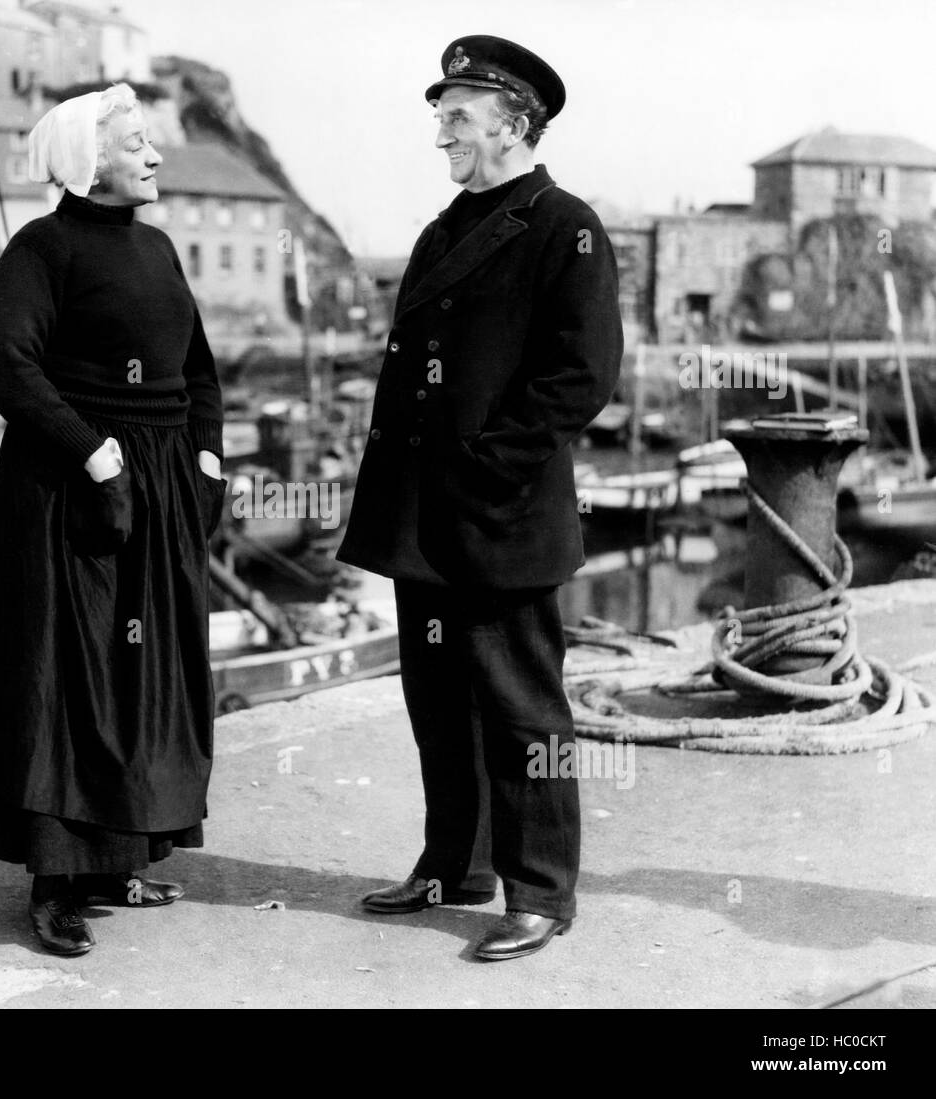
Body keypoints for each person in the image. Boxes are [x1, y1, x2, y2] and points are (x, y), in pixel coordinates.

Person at [336, 36, 622, 961]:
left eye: (456, 116)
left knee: (523, 706)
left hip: (501, 514)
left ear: (513, 122)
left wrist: (486, 465)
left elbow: (581, 375)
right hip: (424, 518)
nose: (440, 135)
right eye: (440, 116)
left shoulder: (564, 225)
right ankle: (451, 864)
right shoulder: (443, 228)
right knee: (437, 695)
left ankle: (540, 890)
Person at [0, 84, 226, 957]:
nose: (153, 157)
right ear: (88, 163)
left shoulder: (160, 249)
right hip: (72, 491)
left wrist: (209, 456)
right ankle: (55, 880)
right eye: (137, 144)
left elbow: (200, 368)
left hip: (162, 485)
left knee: (144, 680)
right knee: (70, 679)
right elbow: (8, 369)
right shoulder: (42, 249)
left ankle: (120, 855)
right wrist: (91, 450)